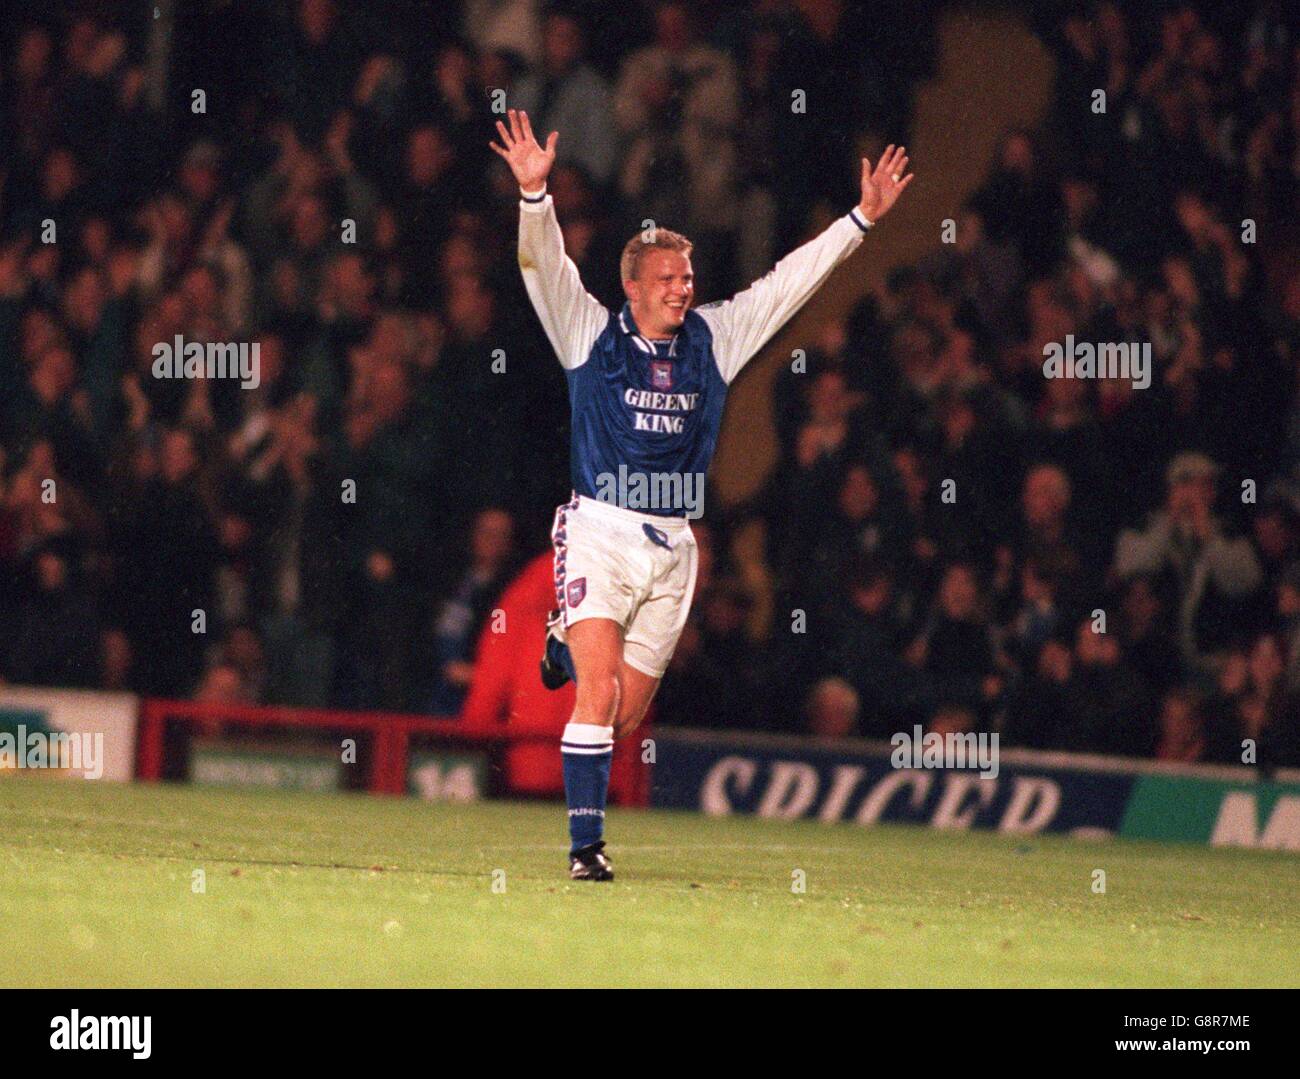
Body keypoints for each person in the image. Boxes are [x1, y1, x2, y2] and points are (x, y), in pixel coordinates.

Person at [490, 108, 913, 880]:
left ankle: (559, 641)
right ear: (632, 287)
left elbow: (789, 282)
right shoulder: (589, 335)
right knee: (598, 689)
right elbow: (542, 268)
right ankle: (586, 849)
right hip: (601, 528)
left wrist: (860, 221)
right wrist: (534, 197)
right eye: (670, 278)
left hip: (675, 544)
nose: (685, 288)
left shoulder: (717, 337)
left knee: (623, 712)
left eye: (688, 277)